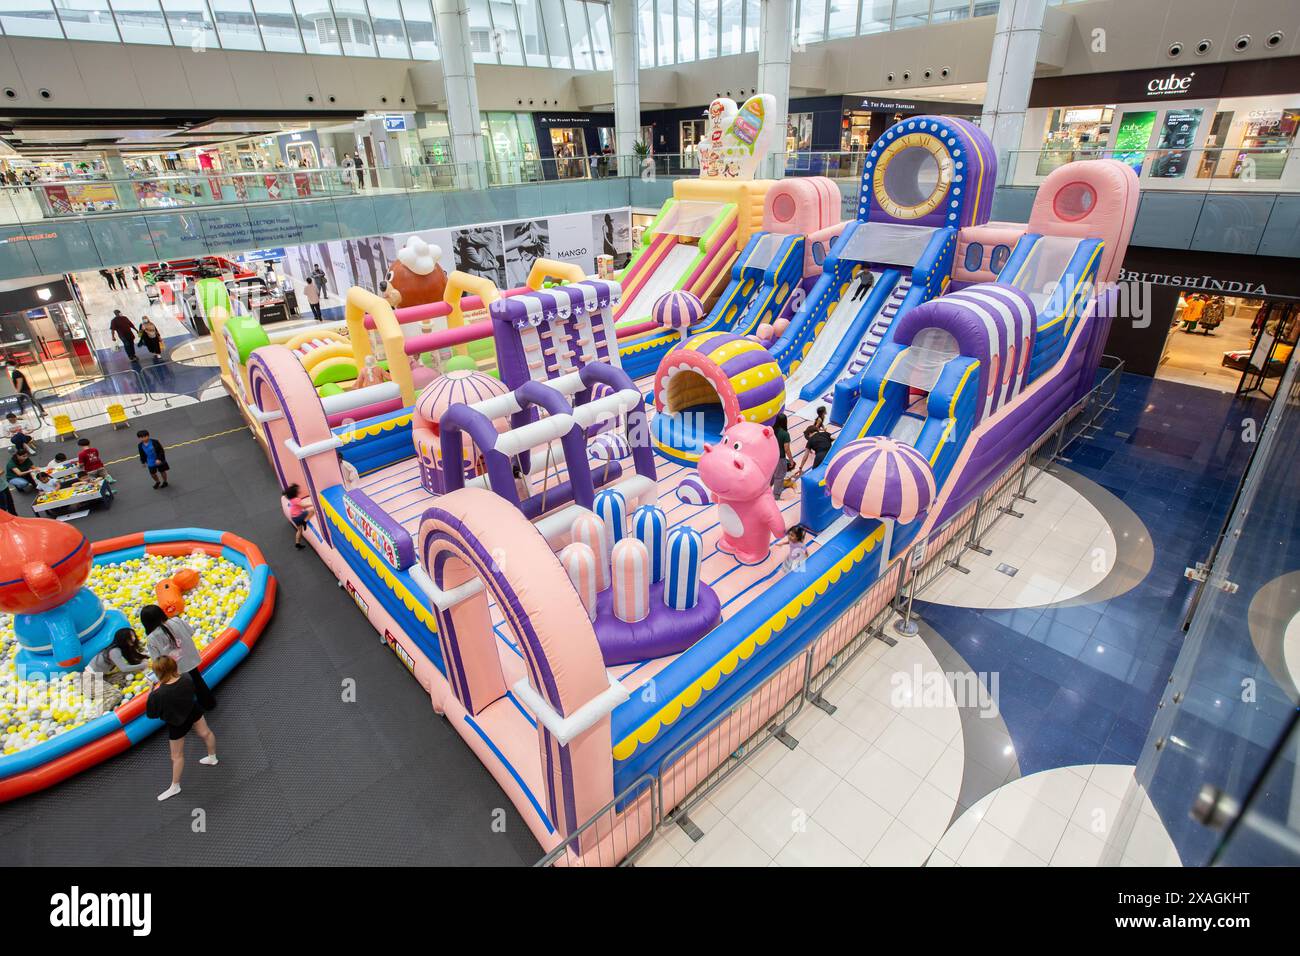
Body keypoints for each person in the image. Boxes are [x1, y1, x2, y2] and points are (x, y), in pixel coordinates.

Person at [143, 654, 218, 802]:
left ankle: (175, 786)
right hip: (193, 711)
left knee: (176, 756)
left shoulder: (157, 695)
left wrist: (151, 692)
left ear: (158, 674)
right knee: (206, 733)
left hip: (176, 722)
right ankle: (213, 757)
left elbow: (151, 714)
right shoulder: (186, 678)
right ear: (174, 666)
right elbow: (191, 692)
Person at [142, 604, 216, 712]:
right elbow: (190, 632)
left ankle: (193, 711)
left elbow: (157, 659)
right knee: (198, 680)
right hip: (190, 658)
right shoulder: (176, 621)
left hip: (175, 668)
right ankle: (209, 703)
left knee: (183, 689)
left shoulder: (151, 639)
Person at [283, 483, 314, 549]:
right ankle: (305, 521)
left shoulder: (291, 499)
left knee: (299, 530)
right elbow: (303, 506)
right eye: (298, 490)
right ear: (295, 493)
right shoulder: (297, 499)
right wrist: (312, 504)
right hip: (298, 516)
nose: (299, 491)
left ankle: (297, 543)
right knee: (312, 511)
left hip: (294, 517)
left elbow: (300, 507)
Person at [771, 412, 793, 500]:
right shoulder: (785, 434)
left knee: (771, 474)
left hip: (770, 456)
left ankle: (766, 490)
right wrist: (791, 460)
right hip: (779, 458)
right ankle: (776, 496)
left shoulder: (772, 430)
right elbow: (786, 449)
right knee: (779, 476)